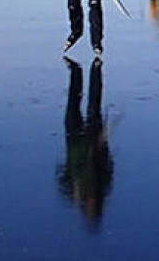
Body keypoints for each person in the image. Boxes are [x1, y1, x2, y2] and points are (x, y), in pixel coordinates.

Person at [58, 56, 113, 226]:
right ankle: (89, 71)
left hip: (75, 145)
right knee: (91, 108)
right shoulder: (102, 185)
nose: (91, 203)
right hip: (89, 143)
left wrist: (72, 187)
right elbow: (108, 165)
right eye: (92, 206)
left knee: (78, 107)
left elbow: (61, 178)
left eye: (90, 207)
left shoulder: (75, 193)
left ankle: (79, 72)